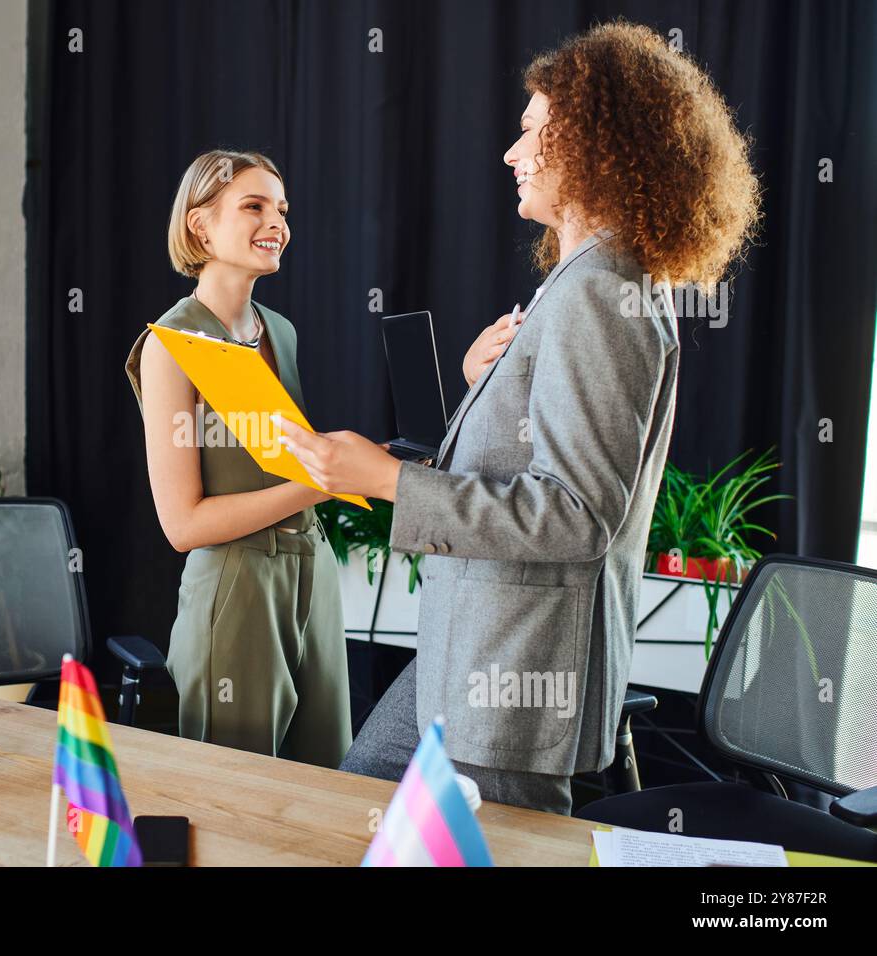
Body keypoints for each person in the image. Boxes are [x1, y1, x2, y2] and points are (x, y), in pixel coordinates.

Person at [275, 22, 760, 812]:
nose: (511, 151)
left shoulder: (599, 296)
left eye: (534, 130)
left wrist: (389, 478)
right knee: (361, 796)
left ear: (596, 147)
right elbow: (528, 461)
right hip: (469, 651)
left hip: (515, 676)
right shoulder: (580, 286)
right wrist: (479, 387)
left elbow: (574, 515)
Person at [124, 149, 351, 768]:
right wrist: (323, 480)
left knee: (326, 789)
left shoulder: (280, 330)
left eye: (281, 209)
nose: (275, 221)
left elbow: (281, 462)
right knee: (238, 802)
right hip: (237, 586)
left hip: (313, 575)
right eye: (253, 206)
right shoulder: (172, 346)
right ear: (199, 224)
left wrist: (327, 471)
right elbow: (183, 525)